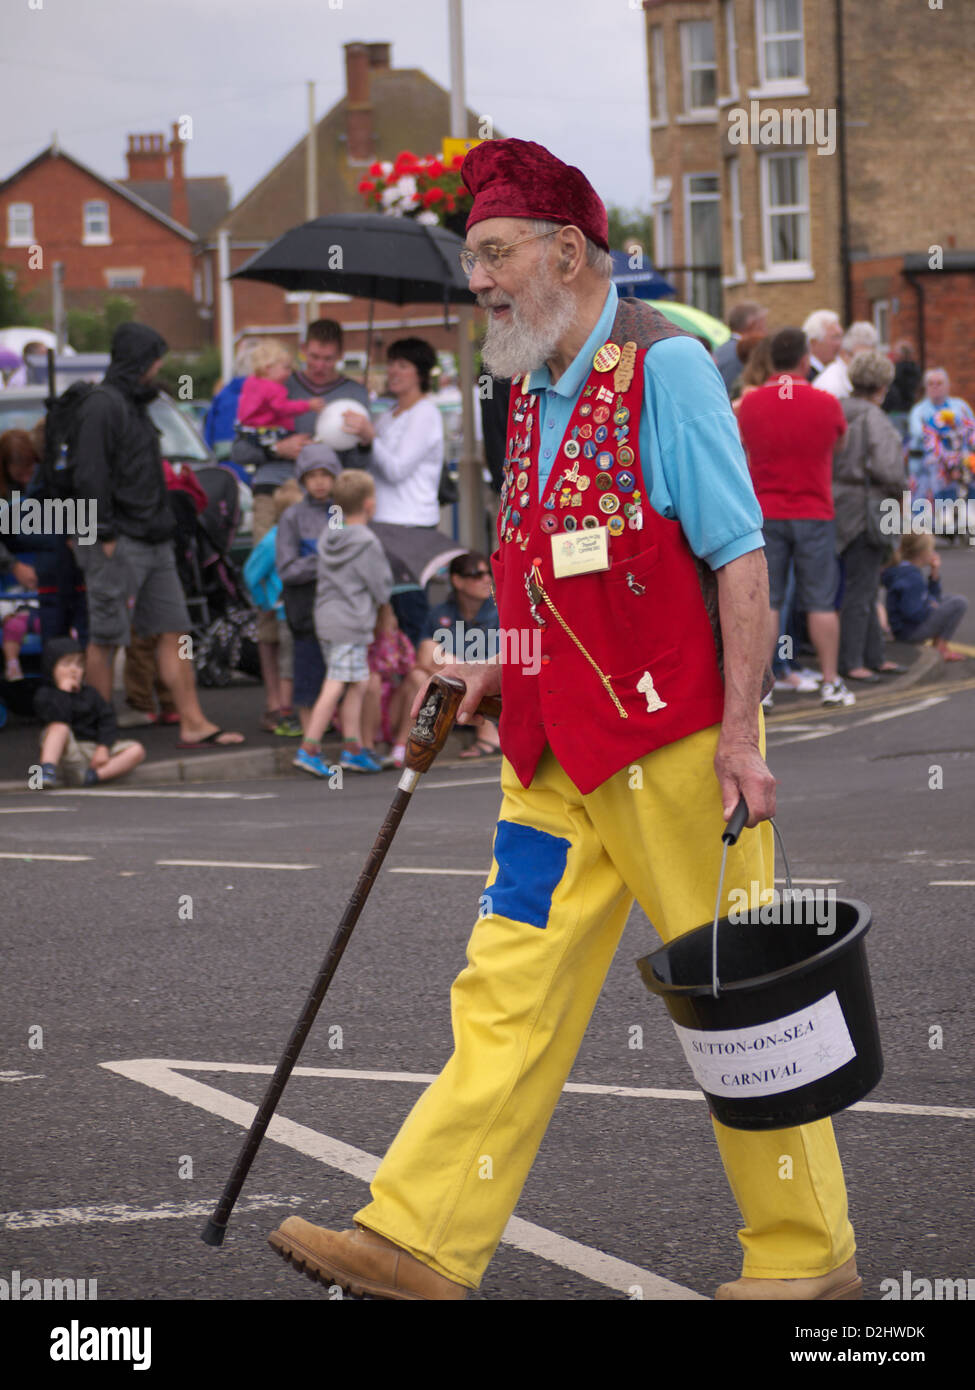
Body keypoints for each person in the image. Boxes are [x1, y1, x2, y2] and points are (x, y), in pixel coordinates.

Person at [269, 137, 860, 1304]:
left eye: (493, 253)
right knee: (506, 987)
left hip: (675, 750)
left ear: (568, 250)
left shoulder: (664, 369)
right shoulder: (523, 384)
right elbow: (546, 576)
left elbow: (740, 559)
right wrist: (491, 664)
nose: (477, 278)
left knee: (739, 1004)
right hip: (546, 754)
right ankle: (422, 1237)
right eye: (473, 256)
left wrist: (744, 738)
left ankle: (807, 1260)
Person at [70, 322, 243, 748]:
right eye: (154, 360)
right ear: (137, 362)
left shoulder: (135, 403)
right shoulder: (101, 405)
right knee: (107, 636)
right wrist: (104, 533)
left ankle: (193, 721)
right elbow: (88, 473)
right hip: (117, 539)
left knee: (176, 632)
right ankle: (96, 732)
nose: (159, 367)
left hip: (154, 538)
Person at [737, 327, 854, 708]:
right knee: (820, 601)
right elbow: (839, 446)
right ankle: (832, 682)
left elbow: (740, 449)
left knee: (767, 602)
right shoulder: (826, 402)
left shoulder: (749, 405)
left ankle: (763, 689)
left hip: (765, 511)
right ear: (805, 360)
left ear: (772, 360)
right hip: (814, 510)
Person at [340, 337, 445, 645]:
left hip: (411, 524)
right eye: (391, 364)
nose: (394, 372)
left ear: (421, 373)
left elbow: (397, 470)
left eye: (403, 365)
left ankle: (420, 682)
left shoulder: (426, 413)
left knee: (411, 612)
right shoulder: (387, 415)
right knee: (387, 614)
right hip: (382, 524)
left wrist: (371, 438)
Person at [293, 469, 393, 778]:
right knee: (336, 682)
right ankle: (309, 747)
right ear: (368, 504)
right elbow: (381, 587)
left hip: (326, 617)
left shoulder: (329, 536)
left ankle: (354, 748)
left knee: (358, 681)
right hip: (351, 621)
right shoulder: (367, 543)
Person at [832, 351, 909, 681]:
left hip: (835, 504)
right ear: (882, 385)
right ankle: (854, 662)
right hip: (870, 509)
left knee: (856, 584)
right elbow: (890, 470)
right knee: (862, 588)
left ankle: (875, 656)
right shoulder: (875, 418)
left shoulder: (837, 408)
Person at [397, 551, 502, 759]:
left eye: (488, 573)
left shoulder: (499, 610)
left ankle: (490, 736)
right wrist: (456, 665)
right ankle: (405, 745)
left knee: (478, 673)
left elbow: (501, 660)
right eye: (476, 574)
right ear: (457, 580)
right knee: (417, 676)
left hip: (489, 685)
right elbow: (424, 657)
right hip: (451, 684)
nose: (486, 579)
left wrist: (455, 662)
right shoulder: (440, 613)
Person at [275, 442, 342, 735]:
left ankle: (337, 729)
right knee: (307, 668)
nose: (319, 482)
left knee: (340, 669)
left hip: (340, 607)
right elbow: (287, 568)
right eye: (312, 475)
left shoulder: (341, 511)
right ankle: (309, 735)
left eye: (326, 475)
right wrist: (325, 561)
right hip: (305, 605)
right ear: (302, 478)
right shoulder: (292, 516)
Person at [33, 637, 145, 789]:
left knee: (136, 750)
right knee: (59, 727)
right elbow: (58, 716)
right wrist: (64, 693)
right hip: (67, 752)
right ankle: (47, 770)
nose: (74, 670)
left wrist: (103, 747)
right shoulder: (45, 694)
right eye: (66, 664)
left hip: (92, 751)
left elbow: (107, 721)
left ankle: (92, 777)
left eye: (79, 665)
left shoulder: (90, 694)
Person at [244, 478, 303, 736]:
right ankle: (285, 713)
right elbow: (251, 573)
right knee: (288, 664)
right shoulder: (274, 539)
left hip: (306, 611)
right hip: (284, 611)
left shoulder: (308, 534)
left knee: (303, 662)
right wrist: (265, 601)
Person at [881, 533, 968, 660]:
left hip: (903, 629)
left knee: (949, 600)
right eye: (931, 549)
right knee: (959, 603)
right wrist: (931, 605)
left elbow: (931, 597)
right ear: (922, 553)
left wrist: (934, 574)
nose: (933, 553)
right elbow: (912, 613)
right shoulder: (911, 577)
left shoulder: (905, 570)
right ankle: (940, 648)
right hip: (909, 632)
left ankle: (939, 645)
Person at [713, 302, 768, 397]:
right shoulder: (743, 353)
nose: (765, 331)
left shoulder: (722, 349)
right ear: (753, 325)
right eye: (763, 326)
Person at [812, 322, 878, 399]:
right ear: (844, 353)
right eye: (860, 358)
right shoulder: (831, 386)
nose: (867, 364)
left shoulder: (854, 378)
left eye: (871, 358)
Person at [801, 309, 843, 382]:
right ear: (814, 342)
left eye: (840, 337)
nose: (839, 343)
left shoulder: (837, 371)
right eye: (835, 337)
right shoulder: (806, 376)